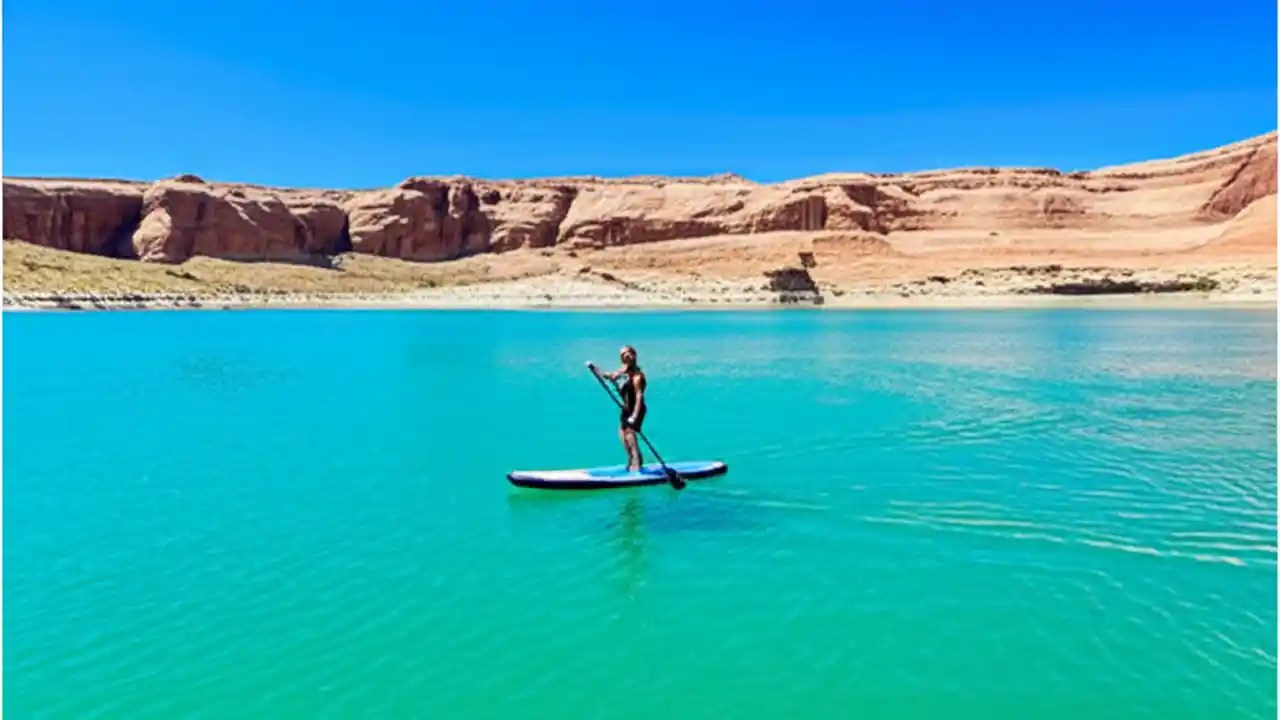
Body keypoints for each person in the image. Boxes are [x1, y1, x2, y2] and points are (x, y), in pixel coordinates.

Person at [591, 346, 647, 470]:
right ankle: (631, 459)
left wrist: (634, 416)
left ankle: (637, 464)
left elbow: (639, 397)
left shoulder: (638, 376)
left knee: (630, 434)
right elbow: (608, 376)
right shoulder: (621, 373)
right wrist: (594, 369)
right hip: (626, 409)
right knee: (622, 434)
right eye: (622, 354)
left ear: (634, 355)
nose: (625, 356)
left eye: (628, 353)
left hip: (637, 410)